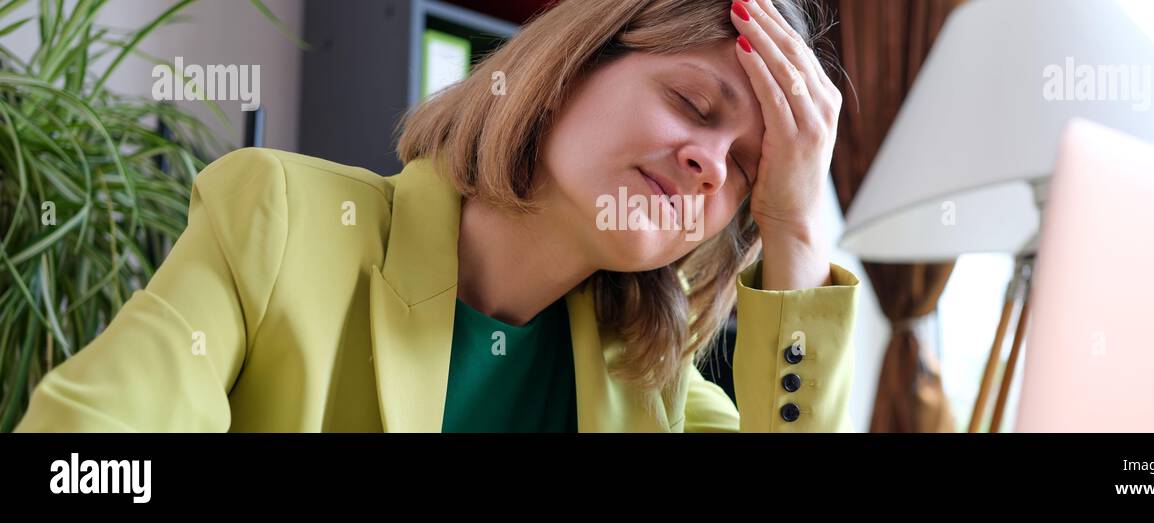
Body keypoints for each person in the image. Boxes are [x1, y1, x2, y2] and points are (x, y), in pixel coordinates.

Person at [17, 0, 859, 433]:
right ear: (569, 68)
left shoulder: (656, 386)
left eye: (746, 171)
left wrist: (795, 228)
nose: (711, 163)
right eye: (690, 102)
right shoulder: (276, 217)